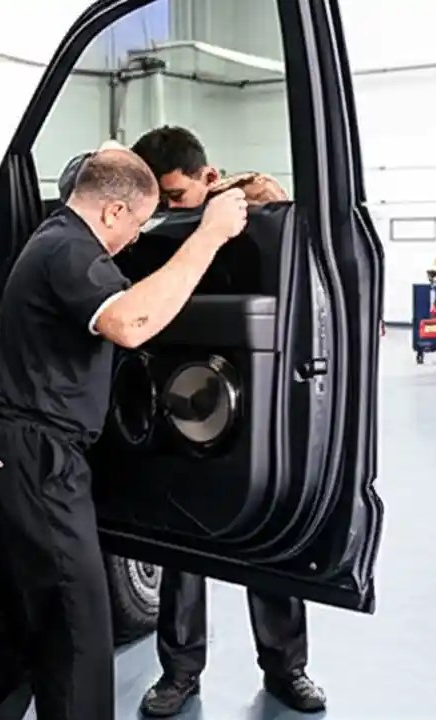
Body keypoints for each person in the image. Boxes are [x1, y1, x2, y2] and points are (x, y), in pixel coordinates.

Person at [0, 147, 249, 720]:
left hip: (23, 454)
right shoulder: (70, 249)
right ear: (114, 211)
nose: (133, 240)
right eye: (138, 225)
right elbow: (129, 321)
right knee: (78, 632)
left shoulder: (54, 241)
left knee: (25, 618)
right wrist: (209, 236)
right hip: (39, 460)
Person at [128, 125, 327, 717]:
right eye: (156, 200)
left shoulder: (263, 210)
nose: (166, 211)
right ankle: (179, 673)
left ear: (210, 178)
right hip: (183, 394)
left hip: (255, 399)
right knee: (181, 538)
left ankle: (288, 668)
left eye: (176, 196)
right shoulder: (151, 227)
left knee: (266, 537)